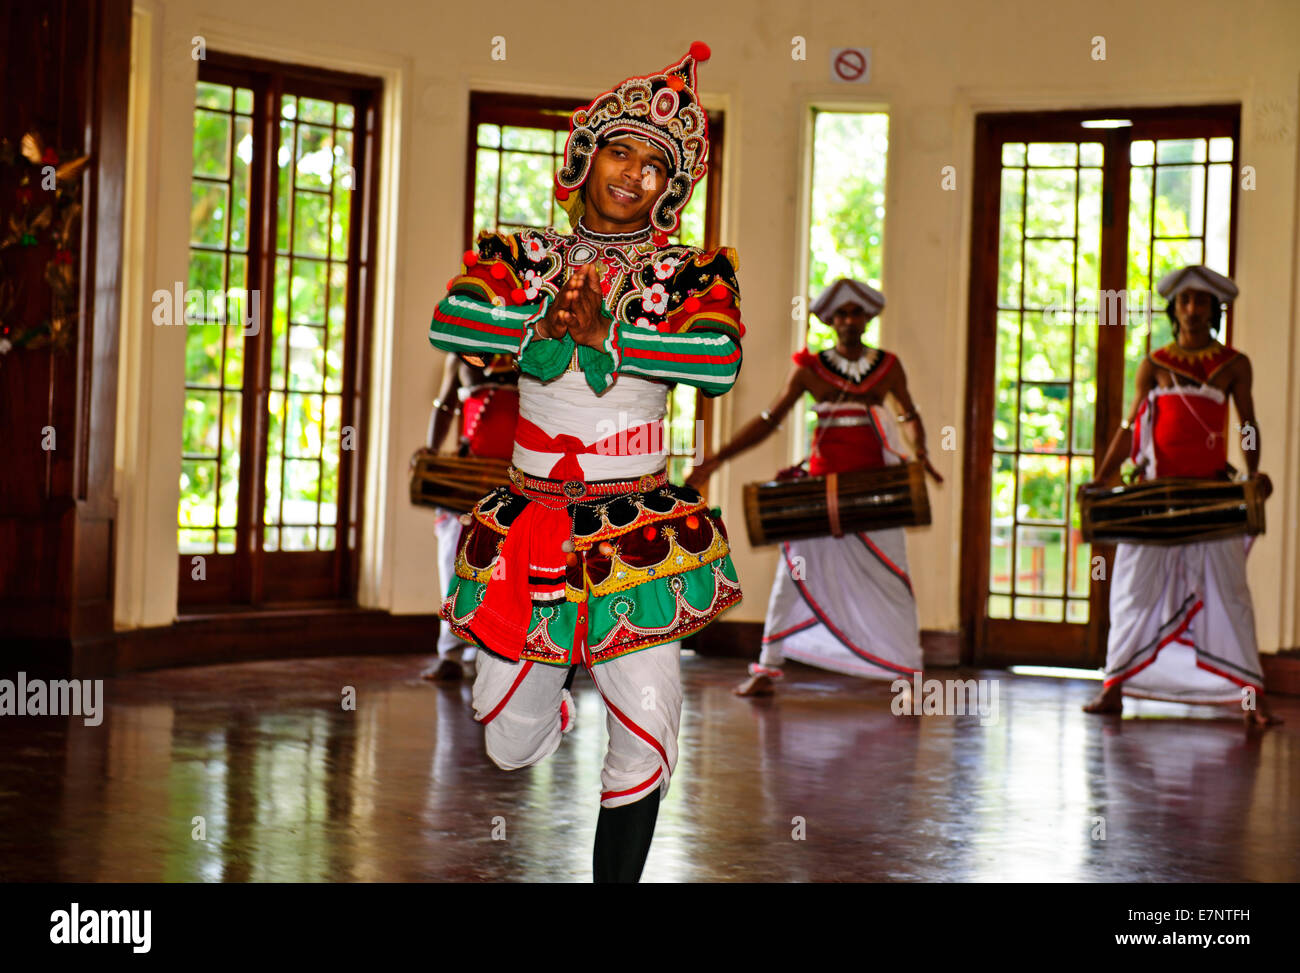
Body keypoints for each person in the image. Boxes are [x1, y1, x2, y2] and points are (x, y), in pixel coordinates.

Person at [428, 42, 745, 882]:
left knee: (648, 724)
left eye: (655, 165)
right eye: (620, 149)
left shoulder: (691, 273)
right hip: (528, 518)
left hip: (631, 524)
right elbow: (453, 322)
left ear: (671, 190)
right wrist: (542, 325)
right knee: (503, 737)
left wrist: (613, 334)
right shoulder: (518, 253)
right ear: (584, 156)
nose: (633, 173)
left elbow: (717, 362)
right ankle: (549, 703)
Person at [687, 278, 941, 697]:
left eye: (856, 312)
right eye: (840, 313)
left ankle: (909, 678)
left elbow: (909, 414)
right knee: (792, 577)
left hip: (877, 493)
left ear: (867, 318)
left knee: (893, 579)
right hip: (818, 496)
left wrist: (923, 452)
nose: (848, 320)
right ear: (830, 320)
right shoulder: (810, 369)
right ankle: (767, 668)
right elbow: (770, 420)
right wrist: (716, 458)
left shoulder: (889, 366)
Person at [1081, 265, 1278, 727]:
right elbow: (1130, 430)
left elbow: (1246, 425)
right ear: (1174, 309)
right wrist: (1103, 478)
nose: (1192, 310)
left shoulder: (1234, 364)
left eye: (1202, 302)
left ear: (1214, 310)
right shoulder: (1154, 364)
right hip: (1153, 496)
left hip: (1211, 496)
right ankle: (1114, 688)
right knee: (1132, 590)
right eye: (1185, 301)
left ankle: (1251, 698)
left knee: (1230, 593)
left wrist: (1254, 474)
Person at [419, 354, 519, 682]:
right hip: (468, 475)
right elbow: (445, 405)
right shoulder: (460, 355)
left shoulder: (533, 344)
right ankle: (449, 653)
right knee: (454, 565)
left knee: (504, 571)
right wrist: (431, 452)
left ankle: (488, 652)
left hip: (517, 476)